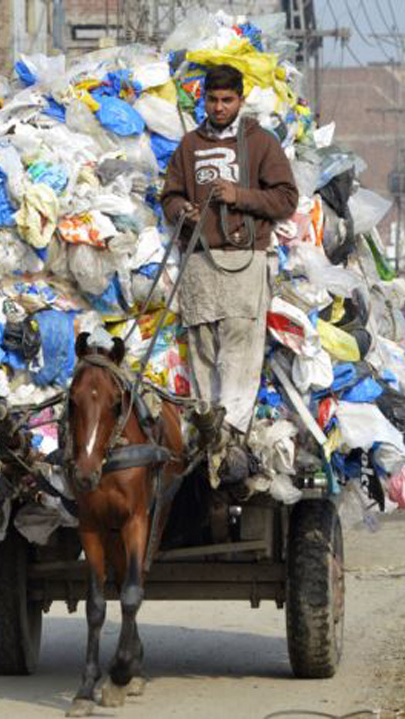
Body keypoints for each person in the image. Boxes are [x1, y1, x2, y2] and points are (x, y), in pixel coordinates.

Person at [161, 64, 298, 484]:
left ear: (240, 100)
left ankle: (232, 432)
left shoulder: (260, 143)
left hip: (244, 260)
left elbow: (286, 199)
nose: (219, 108)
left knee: (238, 345)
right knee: (202, 342)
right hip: (200, 261)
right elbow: (170, 195)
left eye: (227, 100)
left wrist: (240, 196)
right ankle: (208, 430)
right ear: (203, 100)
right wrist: (182, 210)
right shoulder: (189, 145)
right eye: (212, 100)